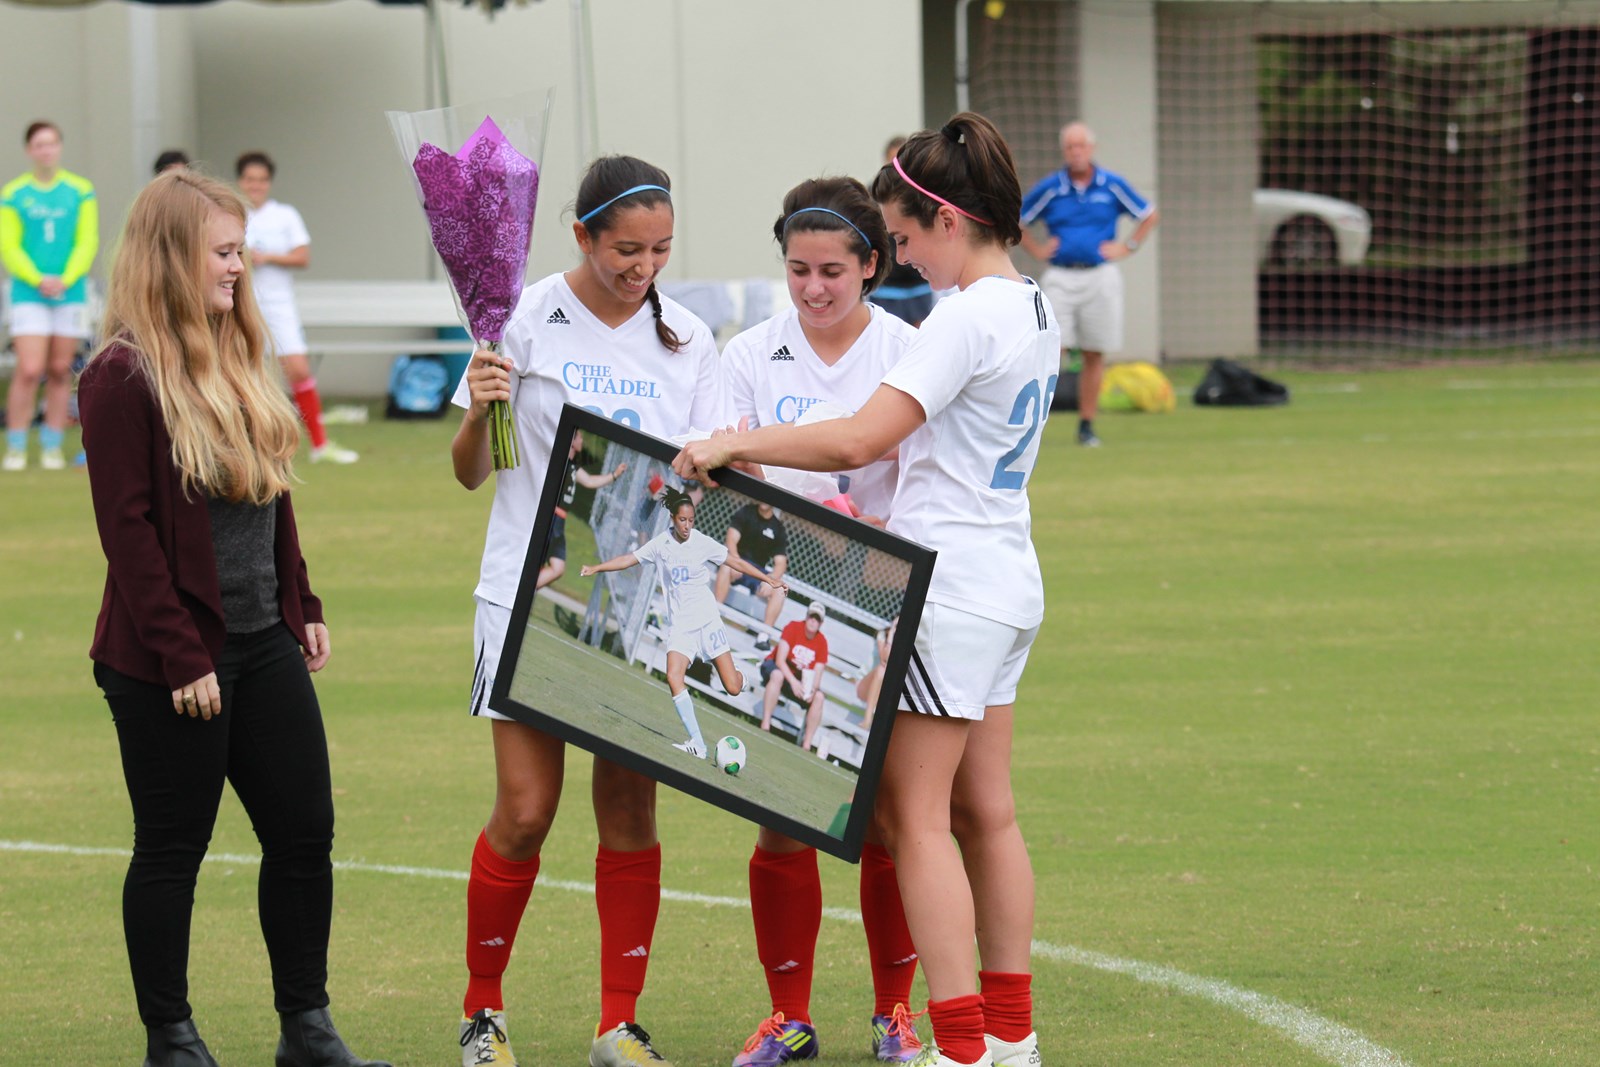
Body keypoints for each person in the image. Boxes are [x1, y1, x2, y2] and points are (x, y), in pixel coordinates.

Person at [676, 112, 1056, 1067]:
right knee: (989, 814)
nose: (904, 257)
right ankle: (1013, 1038)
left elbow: (855, 441)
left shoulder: (965, 313)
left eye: (905, 235)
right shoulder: (1037, 304)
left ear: (946, 218)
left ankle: (962, 1047)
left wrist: (733, 441)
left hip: (946, 587)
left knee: (917, 823)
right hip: (1008, 580)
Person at [78, 170, 387, 1067]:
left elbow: (271, 496)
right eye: (224, 251)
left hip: (264, 643)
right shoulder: (119, 376)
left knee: (304, 832)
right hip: (169, 659)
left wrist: (302, 602)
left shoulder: (235, 349)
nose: (239, 267)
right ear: (174, 256)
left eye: (240, 250)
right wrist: (181, 656)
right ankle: (171, 1039)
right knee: (173, 848)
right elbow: (126, 534)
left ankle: (308, 1030)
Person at [451, 155, 724, 1067]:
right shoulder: (519, 317)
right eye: (624, 249)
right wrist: (476, 409)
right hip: (523, 594)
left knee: (629, 809)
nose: (642, 266)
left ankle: (618, 1023)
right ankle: (482, 1013)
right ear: (581, 236)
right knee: (526, 811)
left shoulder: (688, 338)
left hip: (631, 603)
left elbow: (710, 471)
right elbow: (467, 469)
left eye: (660, 249)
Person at [719, 176, 925, 1067]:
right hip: (785, 588)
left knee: (888, 815)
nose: (813, 288)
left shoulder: (910, 349)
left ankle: (895, 1013)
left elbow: (924, 478)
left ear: (872, 264)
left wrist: (880, 530)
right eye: (798, 269)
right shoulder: (748, 354)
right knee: (785, 811)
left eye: (833, 270)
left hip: (884, 593)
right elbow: (728, 470)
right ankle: (789, 1015)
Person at [581, 487, 785, 758]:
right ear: (673, 519)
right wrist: (596, 567)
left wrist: (767, 578)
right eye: (682, 520)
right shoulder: (660, 545)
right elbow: (629, 559)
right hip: (680, 626)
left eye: (691, 520)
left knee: (733, 688)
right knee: (673, 676)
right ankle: (698, 744)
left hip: (707, 620)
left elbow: (735, 561)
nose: (687, 526)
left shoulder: (701, 542)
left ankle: (742, 677)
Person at [1019, 120, 1158, 447]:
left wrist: (1128, 246)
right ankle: (1032, 423)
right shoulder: (1051, 187)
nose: (1076, 153)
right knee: (1050, 348)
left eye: (1081, 146)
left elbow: (1148, 214)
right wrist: (1037, 249)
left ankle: (1086, 424)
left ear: (1091, 149)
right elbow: (1018, 220)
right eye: (1070, 147)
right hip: (1061, 275)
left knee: (1096, 350)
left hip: (1099, 275)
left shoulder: (1111, 185)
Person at [236, 150, 357, 464]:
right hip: (241, 304)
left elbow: (302, 256)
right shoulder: (232, 213)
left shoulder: (284, 215)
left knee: (298, 369)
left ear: (269, 183)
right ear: (240, 181)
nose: (256, 186)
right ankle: (248, 445)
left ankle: (319, 444)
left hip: (278, 305)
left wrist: (267, 257)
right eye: (250, 180)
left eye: (261, 180)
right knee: (244, 373)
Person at [2, 120, 97, 471]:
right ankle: (15, 444)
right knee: (29, 368)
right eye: (40, 145)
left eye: (52, 143)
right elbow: (9, 245)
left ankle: (52, 444)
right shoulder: (14, 193)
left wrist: (67, 277)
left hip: (69, 293)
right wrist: (37, 277)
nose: (46, 150)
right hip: (29, 292)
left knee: (59, 368)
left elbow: (86, 240)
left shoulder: (80, 190)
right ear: (30, 150)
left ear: (59, 147)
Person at [539, 430, 627, 591]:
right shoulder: (559, 462)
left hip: (559, 522)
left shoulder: (572, 466)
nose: (582, 440)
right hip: (551, 518)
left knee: (558, 568)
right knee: (538, 563)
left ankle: (524, 589)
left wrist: (614, 475)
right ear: (572, 442)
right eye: (579, 437)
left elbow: (589, 481)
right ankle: (519, 591)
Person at [871, 138, 937, 327]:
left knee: (918, 341)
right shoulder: (874, 197)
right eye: (892, 162)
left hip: (920, 284)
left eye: (901, 162)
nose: (897, 168)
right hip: (886, 287)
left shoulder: (925, 197)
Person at [757, 601, 829, 749]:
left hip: (799, 679)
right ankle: (765, 723)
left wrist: (812, 690)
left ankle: (807, 744)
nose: (813, 621)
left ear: (821, 623)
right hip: (776, 668)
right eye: (811, 617)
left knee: (819, 697)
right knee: (777, 676)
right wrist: (794, 683)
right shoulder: (793, 627)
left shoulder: (822, 642)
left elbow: (818, 673)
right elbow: (780, 660)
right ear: (807, 616)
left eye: (817, 619)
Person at [713, 499, 789, 635]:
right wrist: (736, 562)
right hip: (737, 562)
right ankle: (713, 617)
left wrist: (770, 579)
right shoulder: (746, 512)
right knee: (726, 566)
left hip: (756, 572)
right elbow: (730, 539)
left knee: (780, 590)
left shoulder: (778, 528)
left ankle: (764, 636)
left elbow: (781, 563)